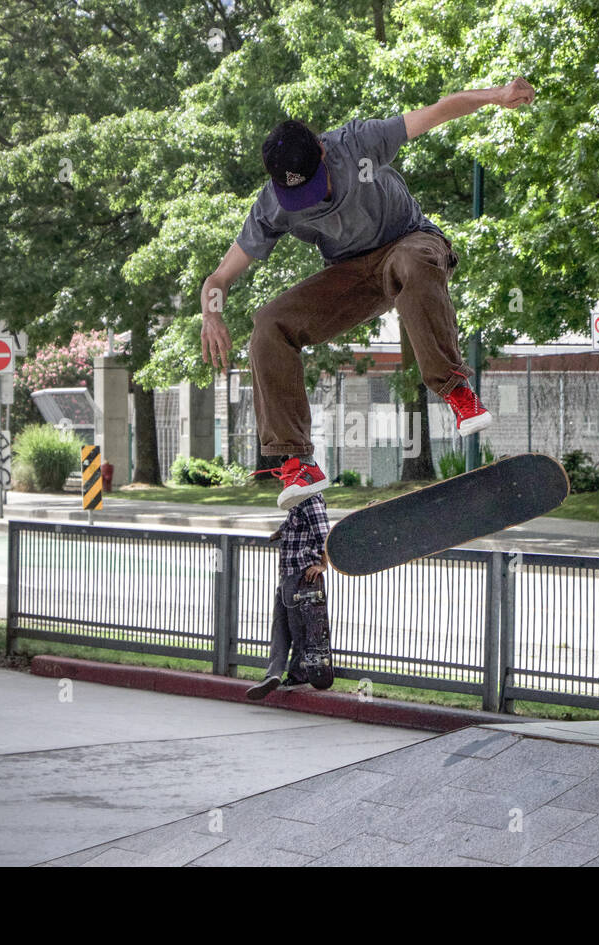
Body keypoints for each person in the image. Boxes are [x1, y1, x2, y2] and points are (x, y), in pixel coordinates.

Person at [201, 78, 536, 508]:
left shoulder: (358, 142)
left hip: (411, 240)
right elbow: (219, 277)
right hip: (351, 275)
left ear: (323, 152)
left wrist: (496, 96)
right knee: (269, 324)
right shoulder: (275, 205)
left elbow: (437, 110)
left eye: (313, 185)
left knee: (410, 263)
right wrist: (212, 311)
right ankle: (297, 461)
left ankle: (456, 391)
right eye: (297, 195)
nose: (310, 200)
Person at [247, 491, 332, 699]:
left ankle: (299, 674)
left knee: (299, 628)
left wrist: (323, 564)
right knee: (280, 626)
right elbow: (295, 526)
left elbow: (324, 534)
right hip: (287, 574)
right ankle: (273, 674)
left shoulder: (311, 500)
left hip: (302, 575)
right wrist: (280, 532)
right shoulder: (297, 502)